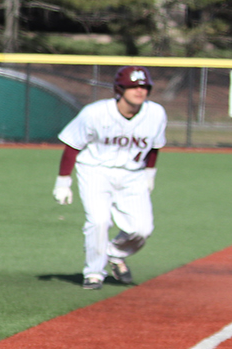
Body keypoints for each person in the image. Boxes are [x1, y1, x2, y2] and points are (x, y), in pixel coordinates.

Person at [54, 65, 168, 291]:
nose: (140, 91)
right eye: (133, 86)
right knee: (98, 221)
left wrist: (149, 174)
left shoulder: (156, 114)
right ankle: (94, 273)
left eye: (144, 86)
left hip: (133, 174)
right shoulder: (94, 113)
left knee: (142, 229)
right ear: (120, 88)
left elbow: (154, 147)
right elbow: (72, 145)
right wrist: (63, 182)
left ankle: (114, 253)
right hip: (95, 171)